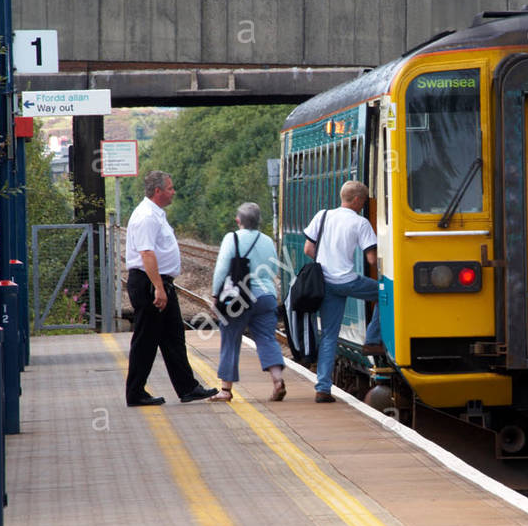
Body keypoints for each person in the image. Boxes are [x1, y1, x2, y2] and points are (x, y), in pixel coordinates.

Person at [124, 170, 217, 406]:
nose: (173, 191)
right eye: (170, 188)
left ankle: (188, 388)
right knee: (146, 340)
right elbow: (146, 253)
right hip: (149, 283)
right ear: (158, 191)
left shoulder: (156, 214)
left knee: (173, 337)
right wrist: (158, 288)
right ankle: (135, 393)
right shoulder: (146, 216)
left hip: (160, 282)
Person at [303, 180, 382, 403]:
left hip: (325, 283)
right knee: (384, 294)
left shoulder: (323, 215)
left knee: (329, 335)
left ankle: (322, 389)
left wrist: (327, 264)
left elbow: (308, 249)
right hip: (347, 281)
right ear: (357, 200)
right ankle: (373, 339)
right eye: (364, 201)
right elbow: (372, 259)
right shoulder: (361, 223)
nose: (363, 205)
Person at [208, 203, 287, 403]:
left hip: (238, 298)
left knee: (230, 339)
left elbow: (221, 269)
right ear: (259, 221)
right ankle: (277, 380)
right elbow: (274, 269)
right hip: (266, 296)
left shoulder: (231, 238)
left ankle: (226, 390)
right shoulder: (268, 240)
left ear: (238, 220)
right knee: (267, 338)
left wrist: (215, 295)